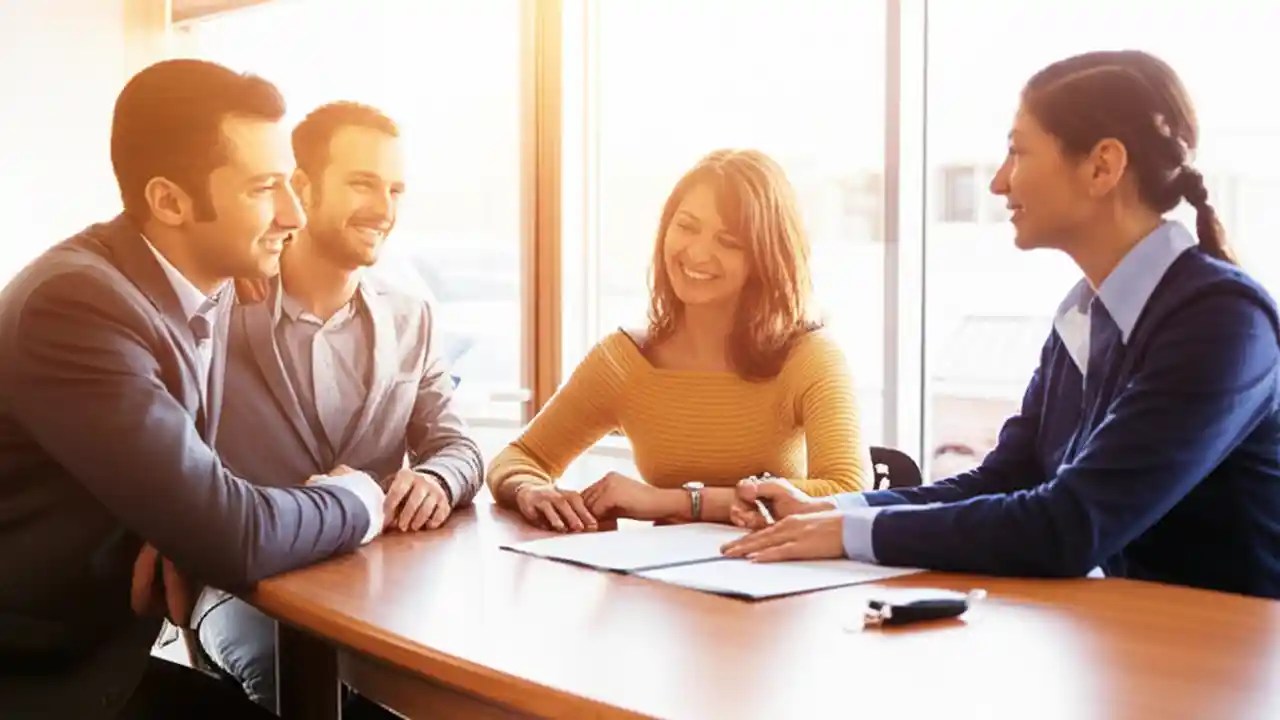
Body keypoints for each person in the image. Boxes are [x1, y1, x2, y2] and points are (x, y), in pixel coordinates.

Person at [723, 50, 1280, 600]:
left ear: (1102, 166)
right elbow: (1007, 479)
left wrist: (850, 534)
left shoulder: (1222, 323)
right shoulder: (1084, 315)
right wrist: (833, 510)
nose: (998, 183)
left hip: (1228, 650)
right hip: (1139, 636)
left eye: (1018, 152)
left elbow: (1069, 525)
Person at [0, 60, 387, 718]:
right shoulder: (76, 304)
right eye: (264, 188)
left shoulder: (197, 287)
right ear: (170, 202)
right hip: (39, 682)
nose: (293, 214)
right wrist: (358, 498)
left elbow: (205, 512)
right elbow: (234, 532)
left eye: (291, 182)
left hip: (96, 664)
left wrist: (179, 521)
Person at [196, 101, 484, 709]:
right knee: (287, 673)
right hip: (248, 586)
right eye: (362, 184)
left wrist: (437, 478)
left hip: (375, 584)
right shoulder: (218, 309)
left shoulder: (412, 317)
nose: (384, 209)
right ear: (301, 187)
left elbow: (458, 446)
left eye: (395, 190)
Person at [488, 149, 869, 532]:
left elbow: (847, 490)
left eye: (729, 241)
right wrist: (530, 489)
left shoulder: (808, 356)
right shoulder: (624, 361)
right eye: (686, 226)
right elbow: (522, 456)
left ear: (766, 257)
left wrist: (674, 502)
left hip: (777, 566)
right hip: (661, 567)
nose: (698, 252)